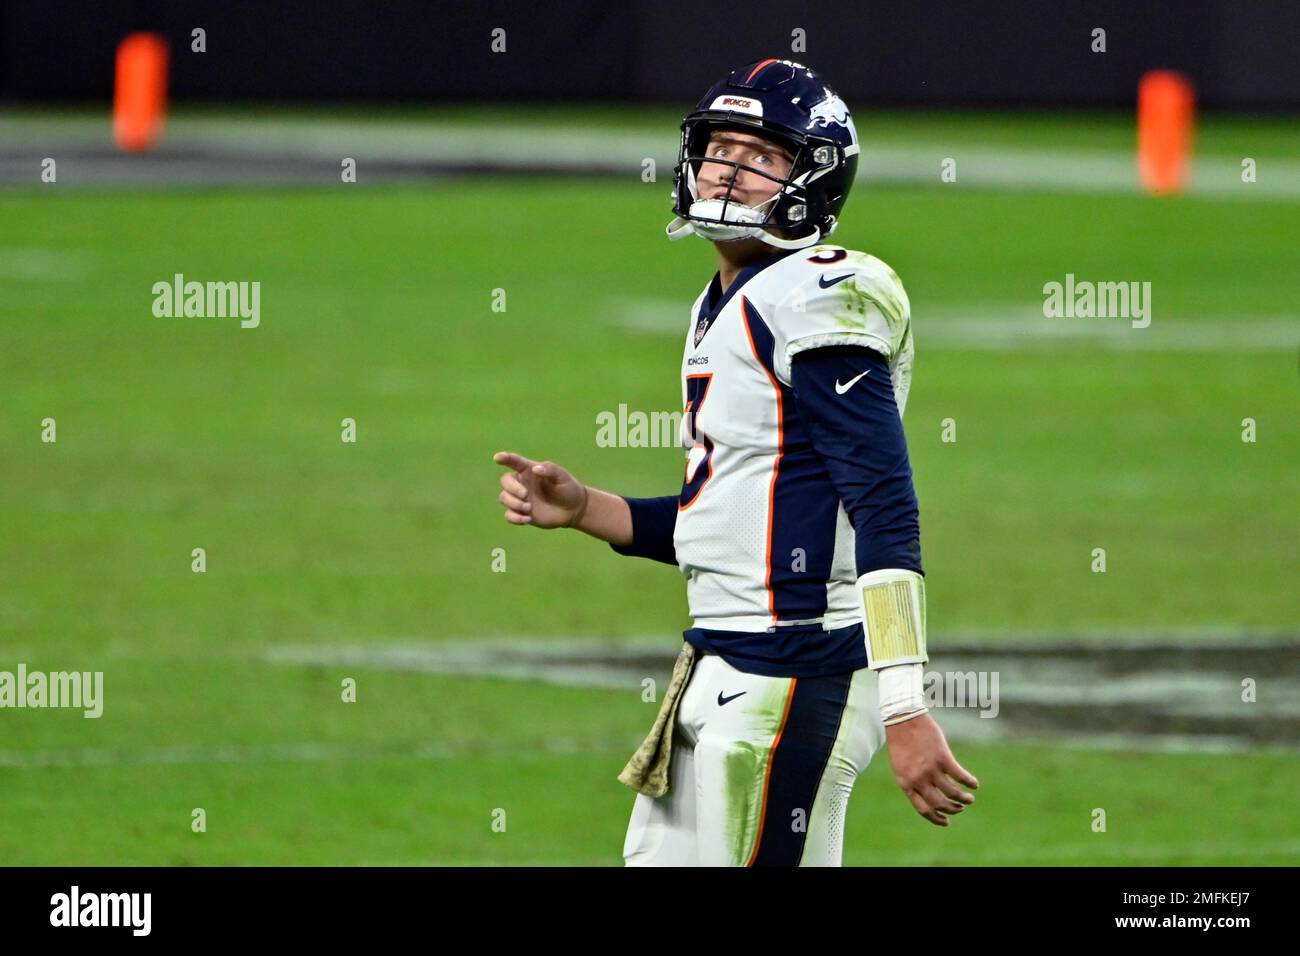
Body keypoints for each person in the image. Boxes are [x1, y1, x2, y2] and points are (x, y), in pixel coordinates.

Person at [493, 59, 978, 866]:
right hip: (718, 662)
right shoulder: (725, 298)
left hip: (797, 673)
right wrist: (589, 509)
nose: (728, 168)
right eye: (719, 148)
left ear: (814, 181)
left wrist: (904, 703)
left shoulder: (823, 294)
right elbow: (733, 517)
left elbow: (884, 504)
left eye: (761, 155)